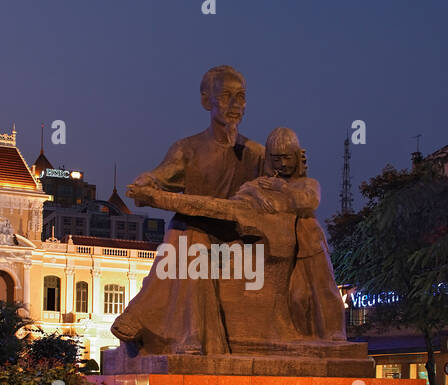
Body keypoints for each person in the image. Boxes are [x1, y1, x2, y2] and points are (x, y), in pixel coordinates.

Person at [139, 127, 347, 349]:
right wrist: (158, 198)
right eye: (277, 159)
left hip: (309, 251)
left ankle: (334, 332)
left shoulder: (308, 184)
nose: (283, 164)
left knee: (314, 294)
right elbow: (231, 206)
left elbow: (307, 201)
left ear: (298, 157)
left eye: (288, 158)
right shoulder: (258, 186)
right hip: (267, 257)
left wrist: (280, 188)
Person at [112, 65, 265, 354]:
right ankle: (189, 334)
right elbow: (160, 176)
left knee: (189, 239)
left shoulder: (255, 154)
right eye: (226, 96)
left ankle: (149, 319)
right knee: (188, 232)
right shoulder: (187, 148)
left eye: (241, 97)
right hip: (196, 238)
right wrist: (147, 181)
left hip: (238, 243)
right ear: (207, 101)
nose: (235, 105)